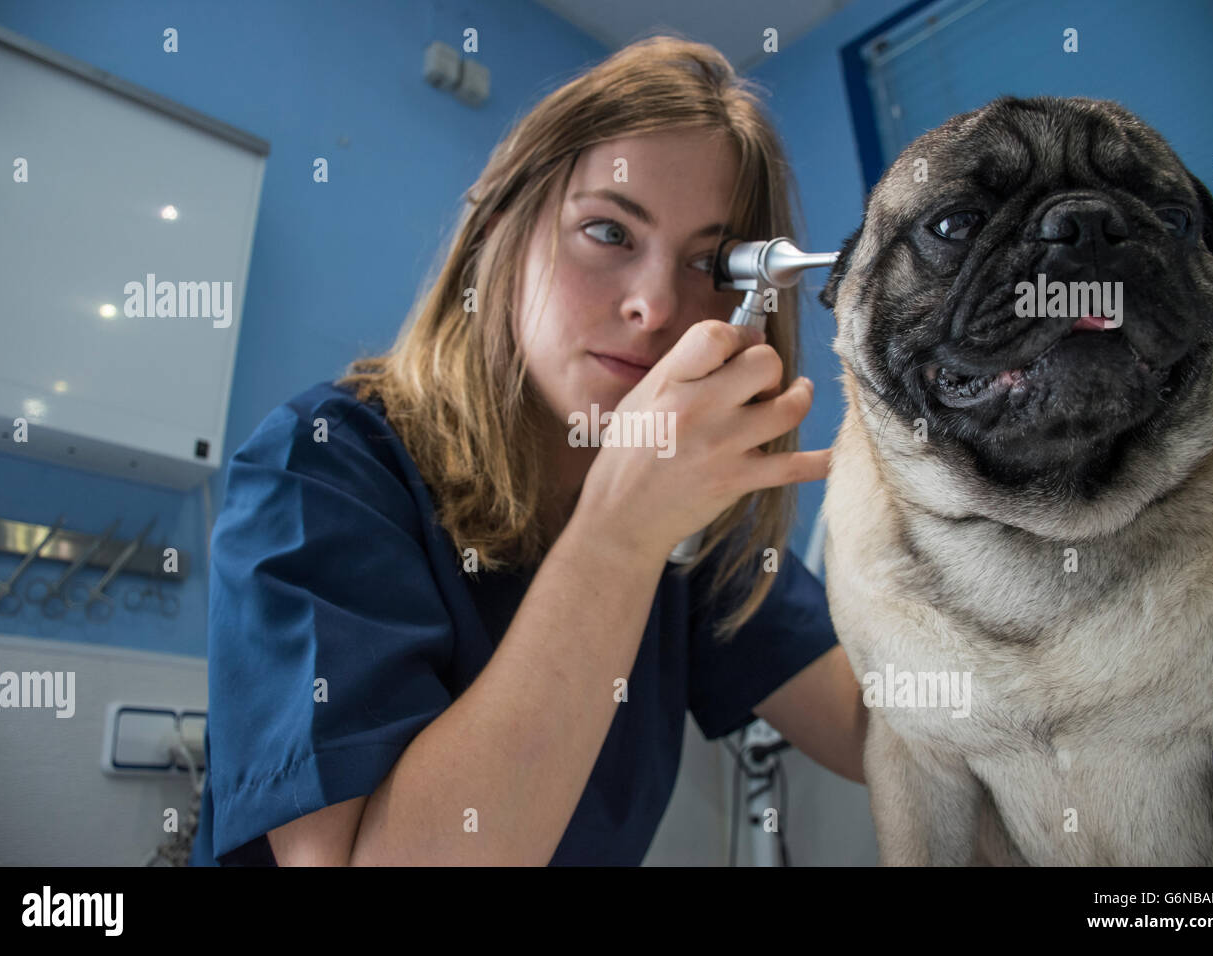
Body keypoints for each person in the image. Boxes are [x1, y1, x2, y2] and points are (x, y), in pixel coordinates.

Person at [190, 34, 867, 867]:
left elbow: (873, 730)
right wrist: (620, 536)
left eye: (707, 263)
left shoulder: (692, 526)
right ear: (501, 235)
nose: (656, 307)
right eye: (609, 232)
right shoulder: (327, 465)